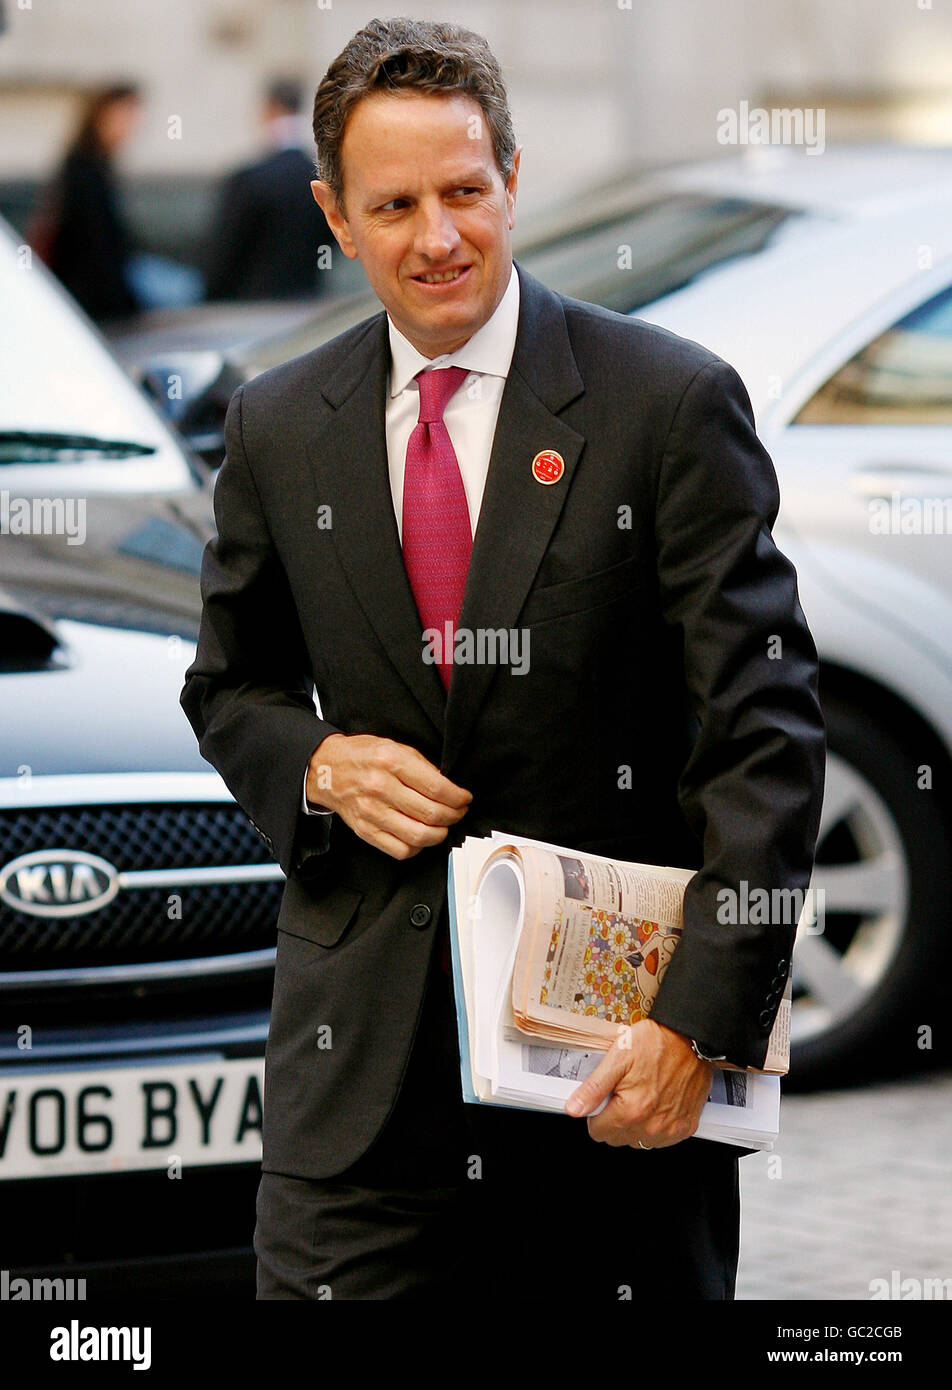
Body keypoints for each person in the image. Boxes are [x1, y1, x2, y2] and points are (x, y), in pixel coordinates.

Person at [180, 17, 826, 1301]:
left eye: (466, 192)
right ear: (335, 215)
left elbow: (763, 733)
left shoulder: (667, 405)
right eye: (396, 204)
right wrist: (317, 763)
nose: (439, 237)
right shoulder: (275, 425)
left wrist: (697, 1021)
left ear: (513, 181)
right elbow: (227, 687)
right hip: (356, 1089)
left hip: (609, 1078)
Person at [203, 78, 333, 301]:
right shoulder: (321, 180)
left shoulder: (249, 180)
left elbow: (224, 257)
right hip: (308, 306)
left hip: (252, 308)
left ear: (269, 109)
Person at [38, 84, 142, 322]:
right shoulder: (84, 171)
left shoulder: (96, 167)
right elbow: (95, 245)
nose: (130, 127)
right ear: (102, 116)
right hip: (90, 299)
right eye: (124, 115)